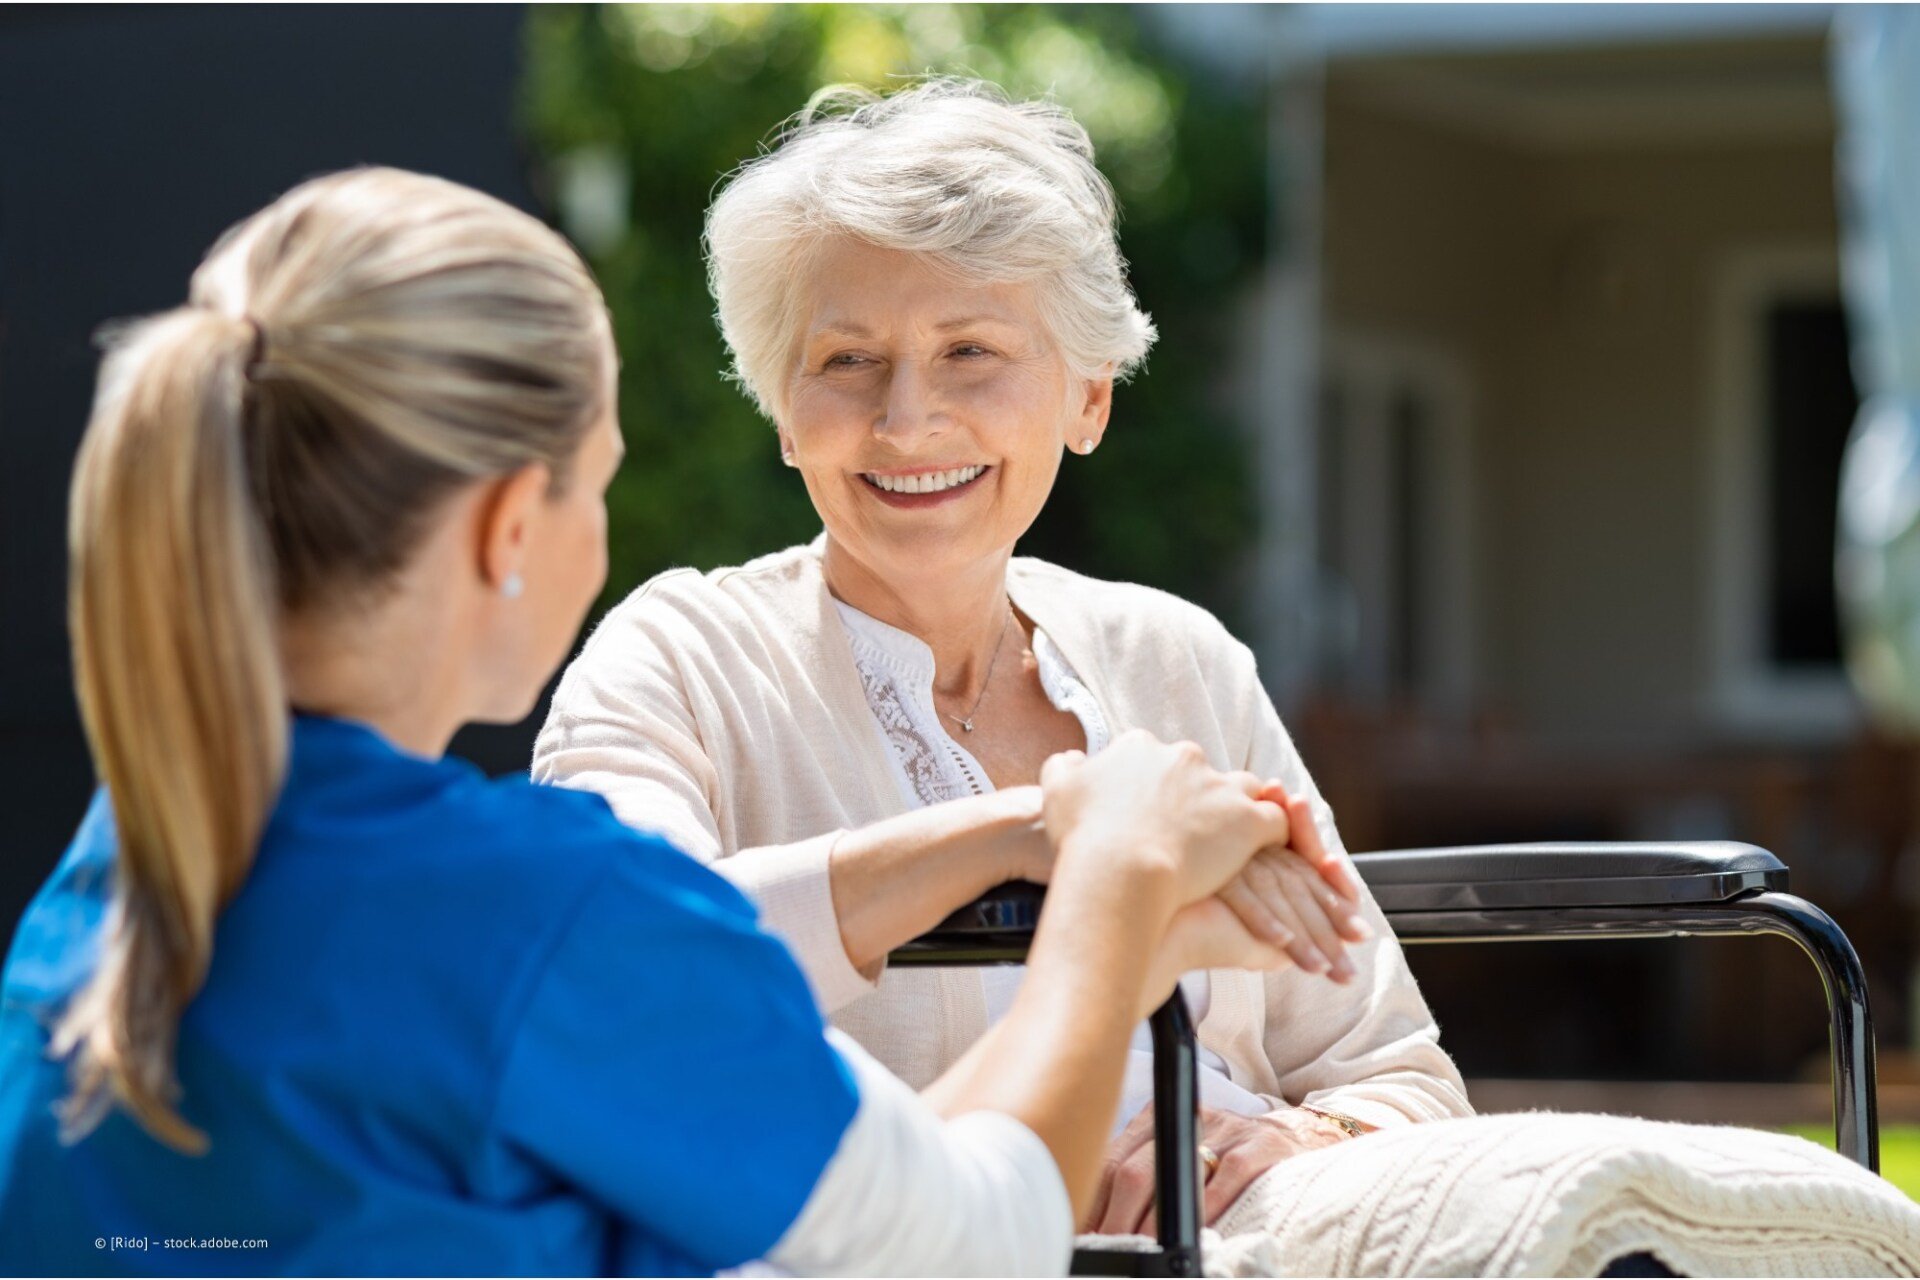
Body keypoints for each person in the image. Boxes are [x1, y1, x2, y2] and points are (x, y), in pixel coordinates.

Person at [0, 166, 1307, 1275]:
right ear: (515, 524)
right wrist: (1116, 884)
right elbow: (971, 1239)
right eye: (603, 483)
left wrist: (1018, 833)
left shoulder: (116, 878)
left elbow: (849, 1233)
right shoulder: (547, 917)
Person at [533, 79, 1470, 1236]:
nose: (907, 419)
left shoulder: (1178, 660)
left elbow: (1398, 1072)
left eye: (970, 350)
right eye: (846, 361)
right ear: (784, 411)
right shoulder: (676, 656)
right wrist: (1041, 831)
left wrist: (1293, 1138)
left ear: (1088, 397)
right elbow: (624, 972)